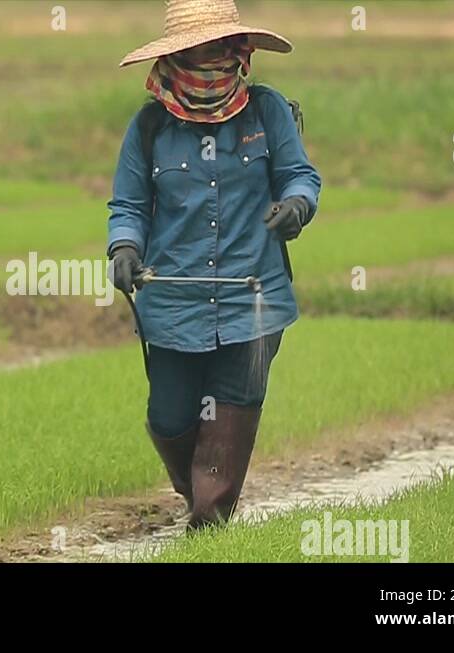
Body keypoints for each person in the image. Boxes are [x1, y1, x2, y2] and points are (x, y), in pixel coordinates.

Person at [107, 0, 321, 530]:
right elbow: (129, 206)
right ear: (176, 56)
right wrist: (124, 248)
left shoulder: (267, 112)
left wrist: (295, 207)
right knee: (169, 416)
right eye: (198, 49)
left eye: (220, 47)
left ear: (236, 48)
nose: (212, 58)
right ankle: (199, 494)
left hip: (255, 300)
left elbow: (300, 175)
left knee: (232, 413)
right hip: (173, 304)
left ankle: (209, 520)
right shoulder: (151, 127)